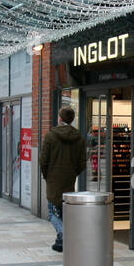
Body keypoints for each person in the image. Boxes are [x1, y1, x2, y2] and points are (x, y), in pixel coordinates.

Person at [39, 107, 86, 253]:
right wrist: (73, 173)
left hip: (53, 178)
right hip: (69, 179)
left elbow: (43, 160)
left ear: (60, 118)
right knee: (64, 211)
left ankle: (64, 235)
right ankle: (60, 242)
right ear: (71, 119)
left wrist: (47, 175)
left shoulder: (51, 136)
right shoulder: (79, 137)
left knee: (53, 212)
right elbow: (82, 162)